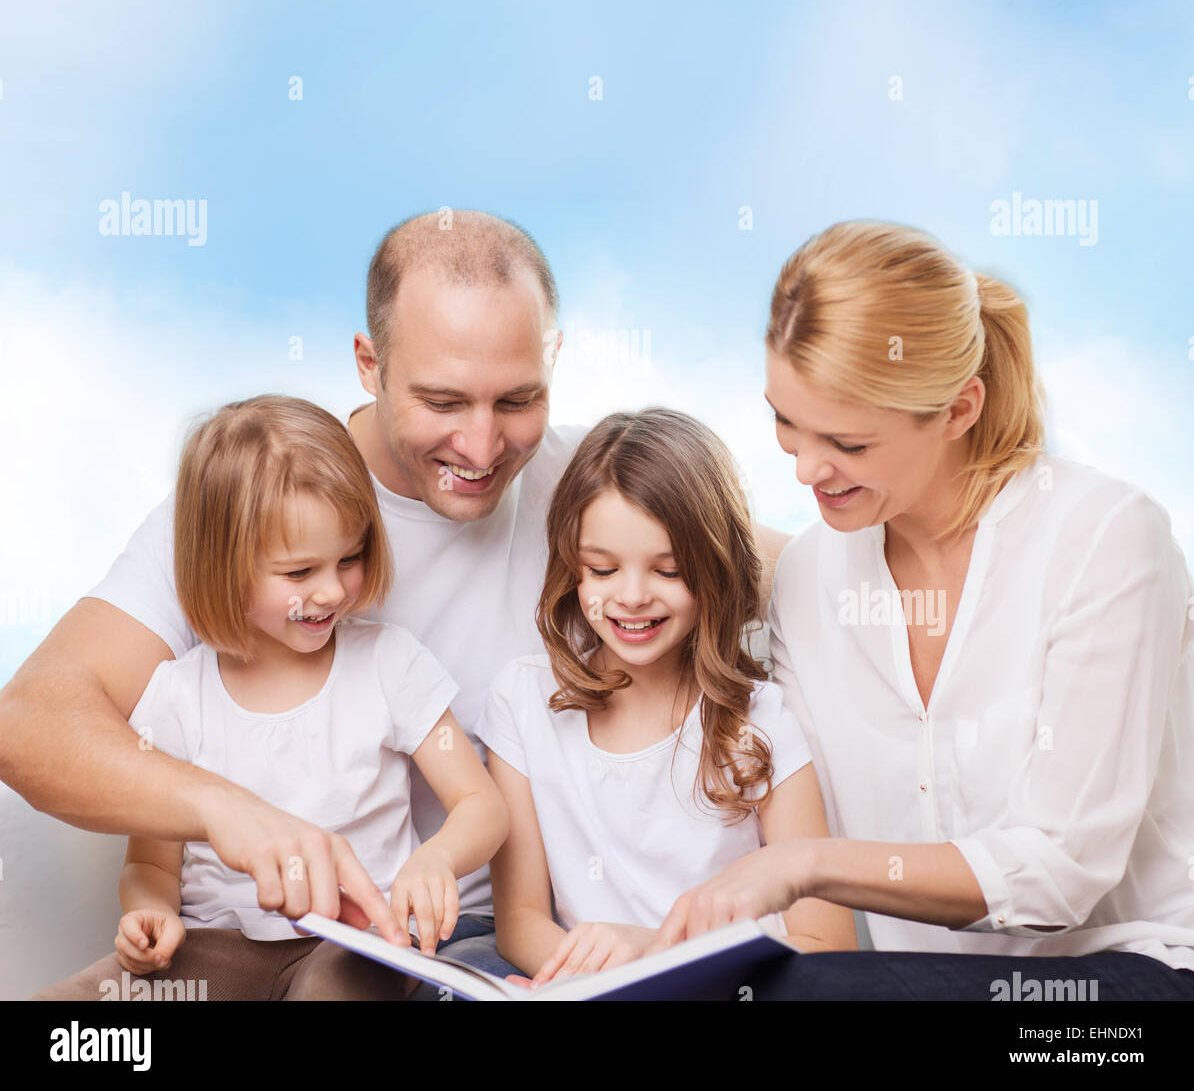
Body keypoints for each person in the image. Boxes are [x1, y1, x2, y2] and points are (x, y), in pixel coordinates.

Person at [0, 209, 789, 983]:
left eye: (517, 400)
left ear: (552, 359)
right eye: (442, 402)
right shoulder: (250, 502)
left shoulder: (595, 489)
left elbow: (777, 562)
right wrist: (224, 810)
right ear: (367, 364)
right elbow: (30, 723)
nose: (482, 448)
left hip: (454, 941)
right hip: (232, 936)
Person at [647, 220, 1194, 1000]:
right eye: (784, 422)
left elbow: (1057, 874)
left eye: (848, 442)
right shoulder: (810, 577)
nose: (805, 468)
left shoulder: (1105, 539)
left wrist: (803, 862)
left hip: (1120, 997)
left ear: (959, 409)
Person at [33, 396, 507, 1000]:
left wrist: (436, 859)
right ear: (224, 567)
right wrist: (148, 914)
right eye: (299, 572)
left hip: (359, 945)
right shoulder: (177, 697)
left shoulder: (392, 665)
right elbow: (152, 863)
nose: (332, 589)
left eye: (350, 558)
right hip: (214, 947)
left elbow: (481, 804)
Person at [480, 409, 856, 989]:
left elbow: (824, 943)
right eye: (602, 569)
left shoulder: (762, 722)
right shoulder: (523, 700)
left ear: (715, 569)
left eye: (669, 570)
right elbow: (522, 923)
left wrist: (653, 957)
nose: (631, 597)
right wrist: (583, 984)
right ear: (571, 568)